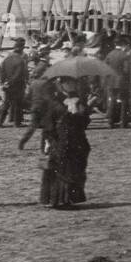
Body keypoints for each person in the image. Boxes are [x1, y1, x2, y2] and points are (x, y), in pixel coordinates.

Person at [42, 76, 90, 209]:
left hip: (77, 139)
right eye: (67, 83)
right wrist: (47, 140)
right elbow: (49, 121)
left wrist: (77, 113)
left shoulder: (80, 100)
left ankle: (69, 199)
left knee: (74, 168)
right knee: (58, 168)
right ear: (61, 85)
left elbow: (86, 122)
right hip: (59, 138)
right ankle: (54, 200)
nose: (71, 85)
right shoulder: (55, 100)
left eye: (73, 82)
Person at [0, 39, 29, 128]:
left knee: (6, 103)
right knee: (18, 104)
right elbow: (19, 74)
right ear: (21, 49)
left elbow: (2, 71)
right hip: (17, 85)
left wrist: (4, 82)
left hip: (7, 85)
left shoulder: (6, 59)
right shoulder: (20, 60)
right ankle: (17, 123)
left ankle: (0, 122)